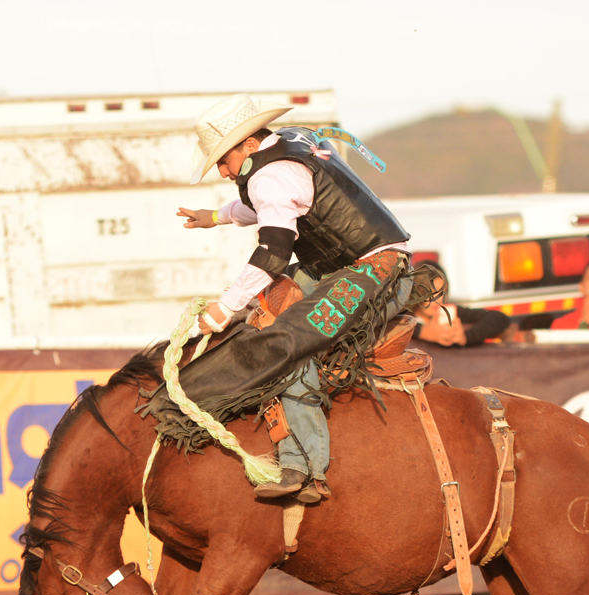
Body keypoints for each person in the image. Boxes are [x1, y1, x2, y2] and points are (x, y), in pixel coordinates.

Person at [164, 94, 415, 503]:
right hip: (363, 262)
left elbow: (274, 249)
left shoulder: (270, 174)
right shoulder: (289, 145)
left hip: (374, 274)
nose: (225, 173)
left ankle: (306, 468)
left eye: (222, 162)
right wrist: (215, 216)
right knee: (264, 311)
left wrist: (226, 307)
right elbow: (267, 205)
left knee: (289, 342)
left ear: (246, 144)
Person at [411, 263, 511, 347]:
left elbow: (499, 318)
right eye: (431, 292)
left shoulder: (450, 313)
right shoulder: (403, 317)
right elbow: (397, 324)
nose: (439, 299)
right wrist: (423, 332)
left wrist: (466, 337)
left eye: (442, 292)